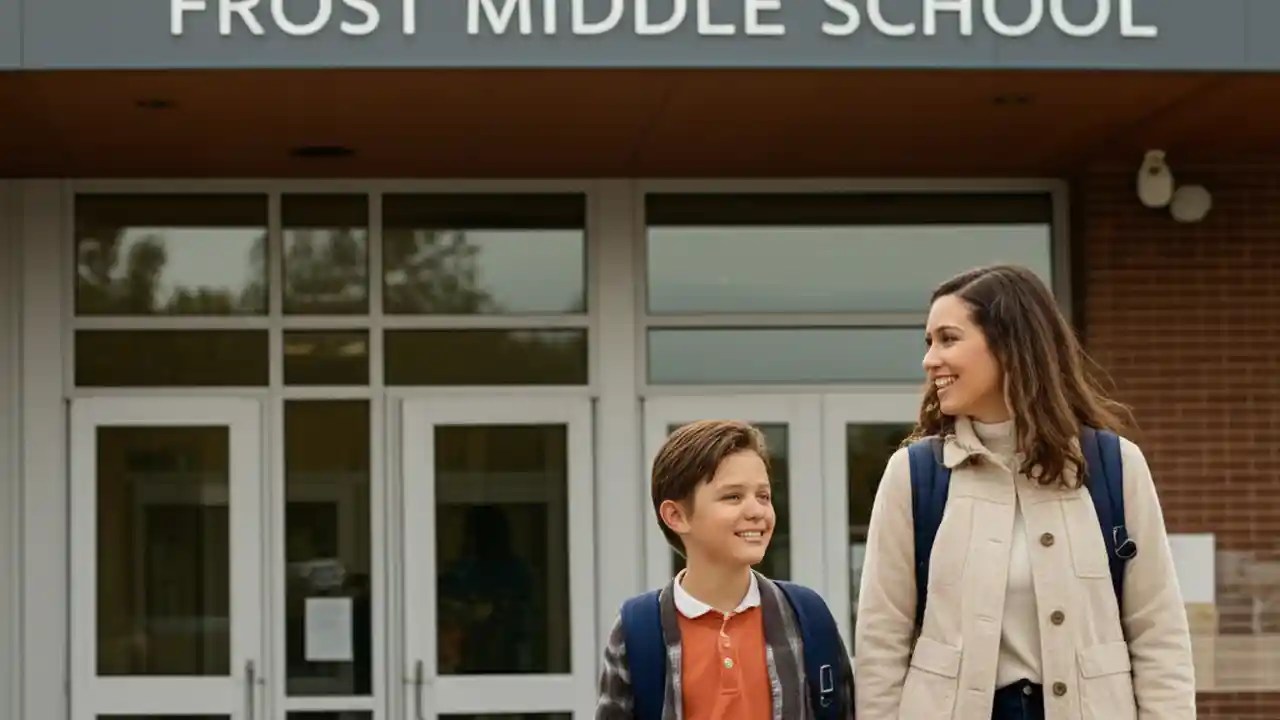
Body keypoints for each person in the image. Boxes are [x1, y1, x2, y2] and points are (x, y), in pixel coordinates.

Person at [854, 264, 1195, 719]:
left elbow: (1159, 634)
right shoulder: (915, 475)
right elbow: (881, 643)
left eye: (948, 339)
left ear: (1010, 345)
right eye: (928, 342)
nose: (930, 359)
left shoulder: (1116, 466)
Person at [596, 419, 854, 720]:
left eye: (763, 496)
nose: (756, 511)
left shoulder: (806, 616)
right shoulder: (638, 630)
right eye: (733, 496)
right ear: (676, 516)